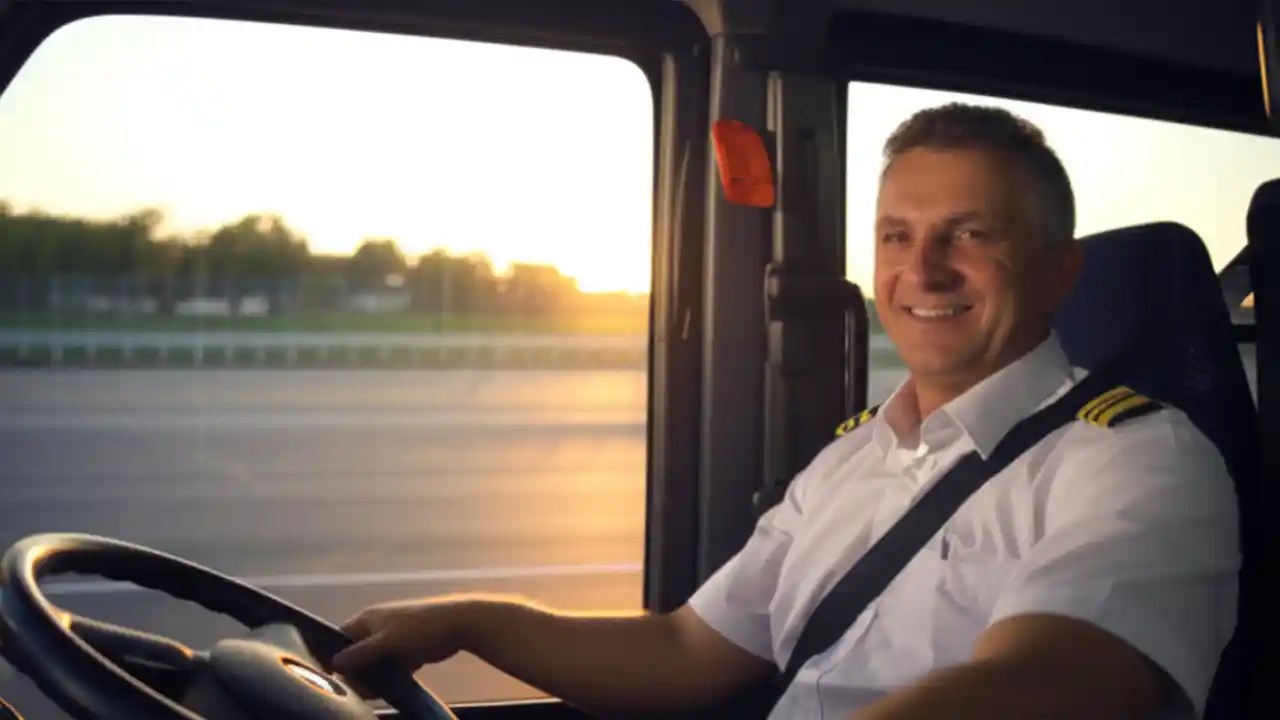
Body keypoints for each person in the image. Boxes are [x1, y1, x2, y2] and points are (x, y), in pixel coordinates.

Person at [332, 104, 1240, 720]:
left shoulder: (1138, 459)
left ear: (1057, 272)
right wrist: (468, 620)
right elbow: (690, 649)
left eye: (969, 234)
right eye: (896, 236)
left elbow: (1049, 681)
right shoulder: (852, 458)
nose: (920, 271)